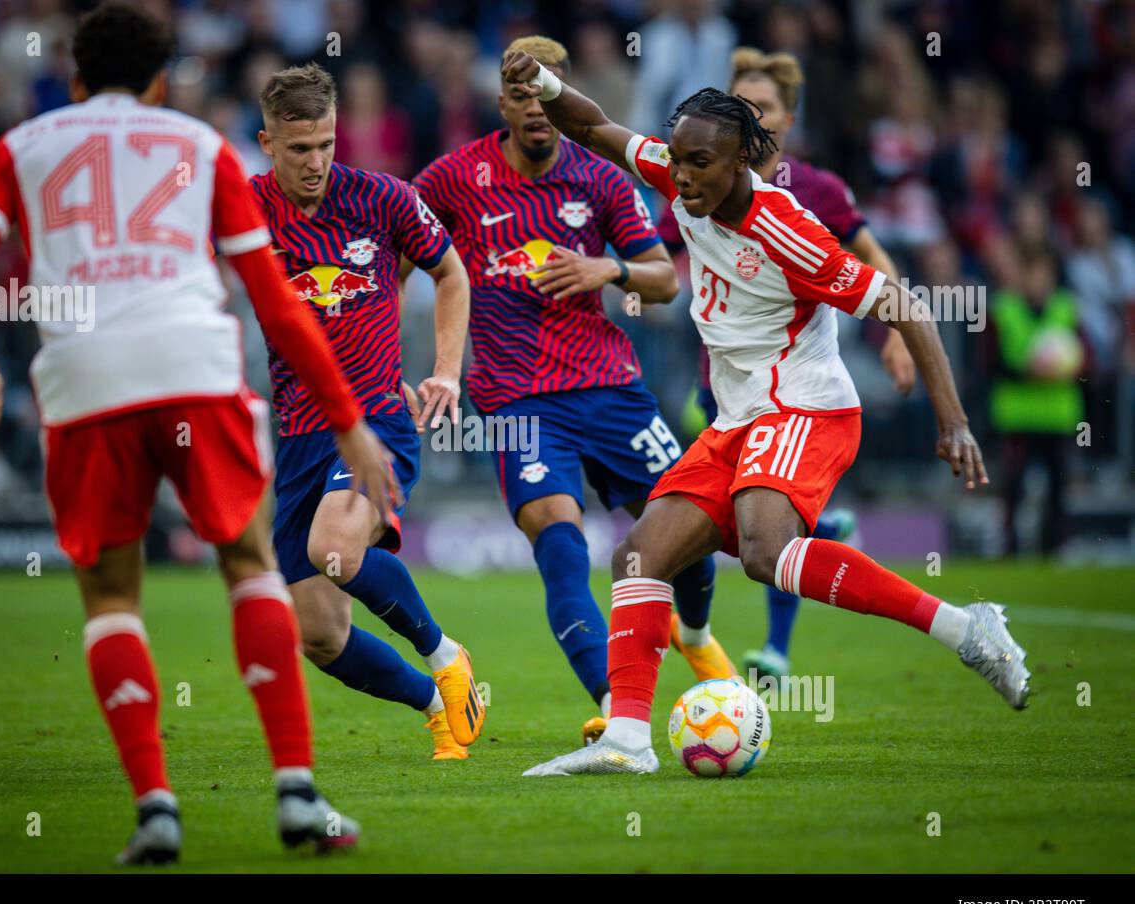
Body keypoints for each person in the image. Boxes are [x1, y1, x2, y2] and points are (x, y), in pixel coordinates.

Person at [0, 3, 396, 860]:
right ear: (158, 81)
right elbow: (277, 303)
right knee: (249, 568)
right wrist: (350, 422)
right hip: (192, 368)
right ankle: (296, 794)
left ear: (73, 79)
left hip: (84, 384)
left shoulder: (18, 147)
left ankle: (155, 807)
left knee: (112, 599)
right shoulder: (204, 147)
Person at [499, 50, 1031, 777]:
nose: (681, 177)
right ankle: (626, 740)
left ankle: (969, 630)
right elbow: (592, 127)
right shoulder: (678, 173)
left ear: (742, 161)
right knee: (638, 556)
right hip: (739, 417)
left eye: (700, 165)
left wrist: (955, 420)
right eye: (678, 161)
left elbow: (905, 305)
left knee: (764, 551)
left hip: (806, 407)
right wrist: (547, 85)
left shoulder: (785, 230)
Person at [413, 36, 737, 746]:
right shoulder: (453, 179)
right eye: (521, 94)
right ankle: (617, 708)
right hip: (518, 401)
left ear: (564, 97)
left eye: (547, 93)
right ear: (501, 102)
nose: (534, 108)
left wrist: (606, 271)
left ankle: (696, 630)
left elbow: (664, 278)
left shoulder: (599, 176)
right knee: (561, 548)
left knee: (691, 538)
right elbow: (399, 238)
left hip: (611, 390)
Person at [248, 63, 484, 762]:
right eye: (298, 149)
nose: (316, 161)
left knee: (336, 549)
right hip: (296, 435)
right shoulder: (243, 211)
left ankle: (445, 651)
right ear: (267, 143)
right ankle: (438, 702)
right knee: (318, 634)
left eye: (325, 143)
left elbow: (450, 271)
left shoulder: (382, 198)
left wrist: (445, 371)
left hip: (376, 420)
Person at [714, 47, 916, 681]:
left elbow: (875, 257)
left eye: (763, 107)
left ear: (789, 121)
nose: (750, 115)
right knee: (732, 516)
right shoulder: (708, 178)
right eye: (739, 105)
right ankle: (827, 526)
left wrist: (899, 336)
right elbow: (665, 256)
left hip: (791, 382)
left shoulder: (820, 191)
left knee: (764, 518)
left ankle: (774, 646)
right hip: (719, 383)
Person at [988, 243, 1083, 556]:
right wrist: (1029, 371)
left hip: (1057, 415)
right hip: (1017, 415)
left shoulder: (1066, 308)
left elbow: (1086, 358)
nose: (1039, 280)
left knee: (1058, 487)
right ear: (1022, 275)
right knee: (1014, 487)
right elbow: (990, 363)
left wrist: (1075, 366)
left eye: (1045, 273)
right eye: (1033, 273)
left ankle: (1055, 548)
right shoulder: (1004, 309)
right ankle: (1010, 549)